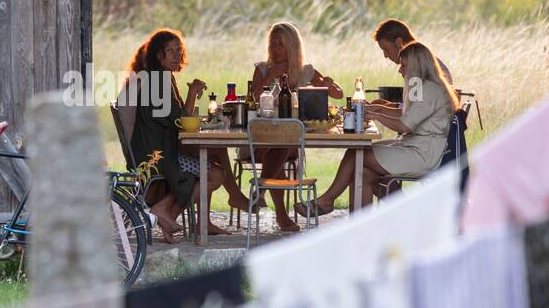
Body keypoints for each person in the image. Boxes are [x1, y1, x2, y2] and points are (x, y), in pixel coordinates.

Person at [125, 28, 249, 242]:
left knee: (212, 157)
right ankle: (164, 209)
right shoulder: (158, 82)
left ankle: (187, 218)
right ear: (158, 55)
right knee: (216, 173)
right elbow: (181, 122)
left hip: (160, 148)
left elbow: (178, 119)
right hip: (158, 155)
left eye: (178, 50)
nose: (176, 55)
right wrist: (193, 93)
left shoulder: (162, 78)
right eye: (169, 51)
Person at [314, 41, 458, 212]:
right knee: (363, 172)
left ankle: (327, 201)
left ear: (416, 66)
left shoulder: (429, 89)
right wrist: (377, 108)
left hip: (422, 154)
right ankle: (360, 227)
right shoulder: (420, 85)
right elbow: (405, 114)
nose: (400, 70)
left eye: (403, 65)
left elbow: (404, 126)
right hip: (415, 146)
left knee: (355, 155)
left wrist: (375, 115)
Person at [248, 22, 343, 233]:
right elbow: (251, 101)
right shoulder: (262, 69)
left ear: (292, 46)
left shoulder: (305, 71)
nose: (275, 49)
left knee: (283, 143)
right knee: (277, 145)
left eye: (280, 44)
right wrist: (268, 77)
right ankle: (280, 214)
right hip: (261, 135)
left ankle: (261, 192)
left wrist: (329, 84)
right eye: (272, 44)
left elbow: (337, 94)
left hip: (292, 138)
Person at [371, 18, 452, 87]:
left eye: (386, 49)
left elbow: (415, 105)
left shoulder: (417, 65)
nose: (385, 55)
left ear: (399, 42)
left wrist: (377, 106)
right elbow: (414, 102)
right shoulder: (423, 60)